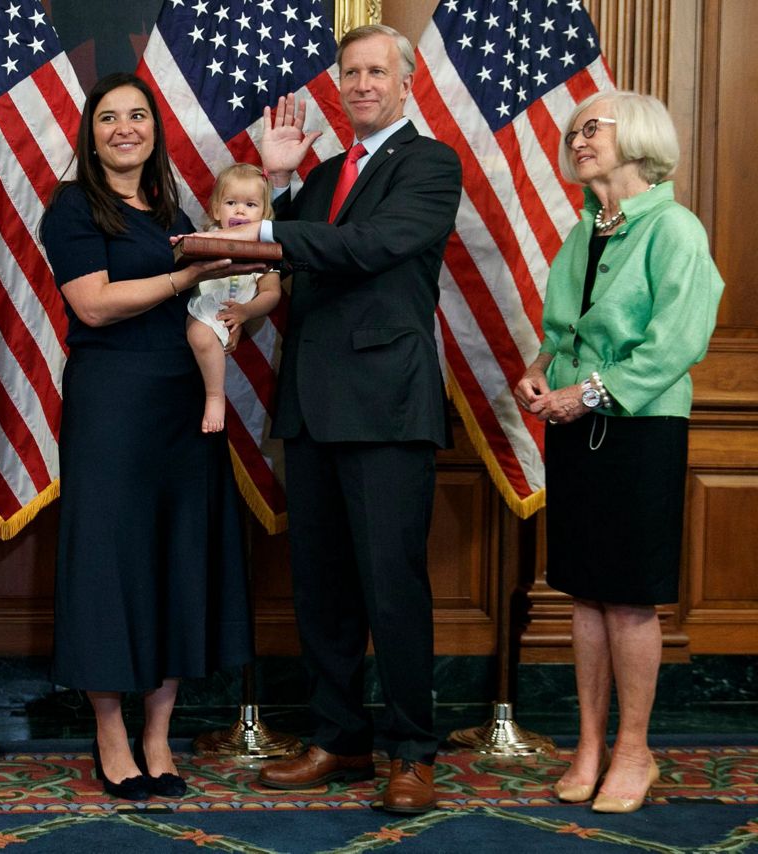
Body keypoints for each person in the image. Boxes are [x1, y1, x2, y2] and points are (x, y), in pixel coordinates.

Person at [202, 25, 462, 813]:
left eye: (377, 71)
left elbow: (371, 246)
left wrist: (272, 227)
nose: (361, 84)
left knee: (392, 589)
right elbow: (282, 255)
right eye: (350, 72)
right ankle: (340, 738)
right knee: (321, 589)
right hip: (312, 406)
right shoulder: (319, 179)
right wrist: (277, 186)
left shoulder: (430, 163)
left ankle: (412, 749)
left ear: (407, 80)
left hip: (387, 406)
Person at [39, 72, 257, 801]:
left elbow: (237, 260)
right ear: (90, 132)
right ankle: (110, 736)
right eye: (109, 118)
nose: (125, 128)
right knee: (109, 561)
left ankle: (160, 737)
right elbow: (94, 306)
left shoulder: (171, 209)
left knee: (176, 558)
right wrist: (181, 274)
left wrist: (274, 182)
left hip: (183, 401)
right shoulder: (73, 207)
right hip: (111, 401)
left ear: (156, 129)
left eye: (138, 115)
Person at [514, 91, 723, 814]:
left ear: (636, 136)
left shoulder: (675, 228)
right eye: (574, 131)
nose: (577, 139)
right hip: (575, 426)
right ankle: (591, 744)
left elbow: (677, 343)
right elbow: (560, 328)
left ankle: (636, 750)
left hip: (638, 428)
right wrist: (542, 368)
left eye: (590, 128)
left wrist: (589, 393)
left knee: (629, 598)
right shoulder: (585, 230)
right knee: (584, 589)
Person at [186, 164, 283, 432]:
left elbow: (271, 293)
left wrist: (245, 312)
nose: (240, 210)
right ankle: (214, 395)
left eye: (250, 204)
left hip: (237, 313)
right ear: (217, 209)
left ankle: (216, 394)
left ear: (264, 213)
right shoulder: (207, 240)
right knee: (199, 336)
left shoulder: (264, 252)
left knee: (210, 341)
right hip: (203, 310)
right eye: (231, 203)